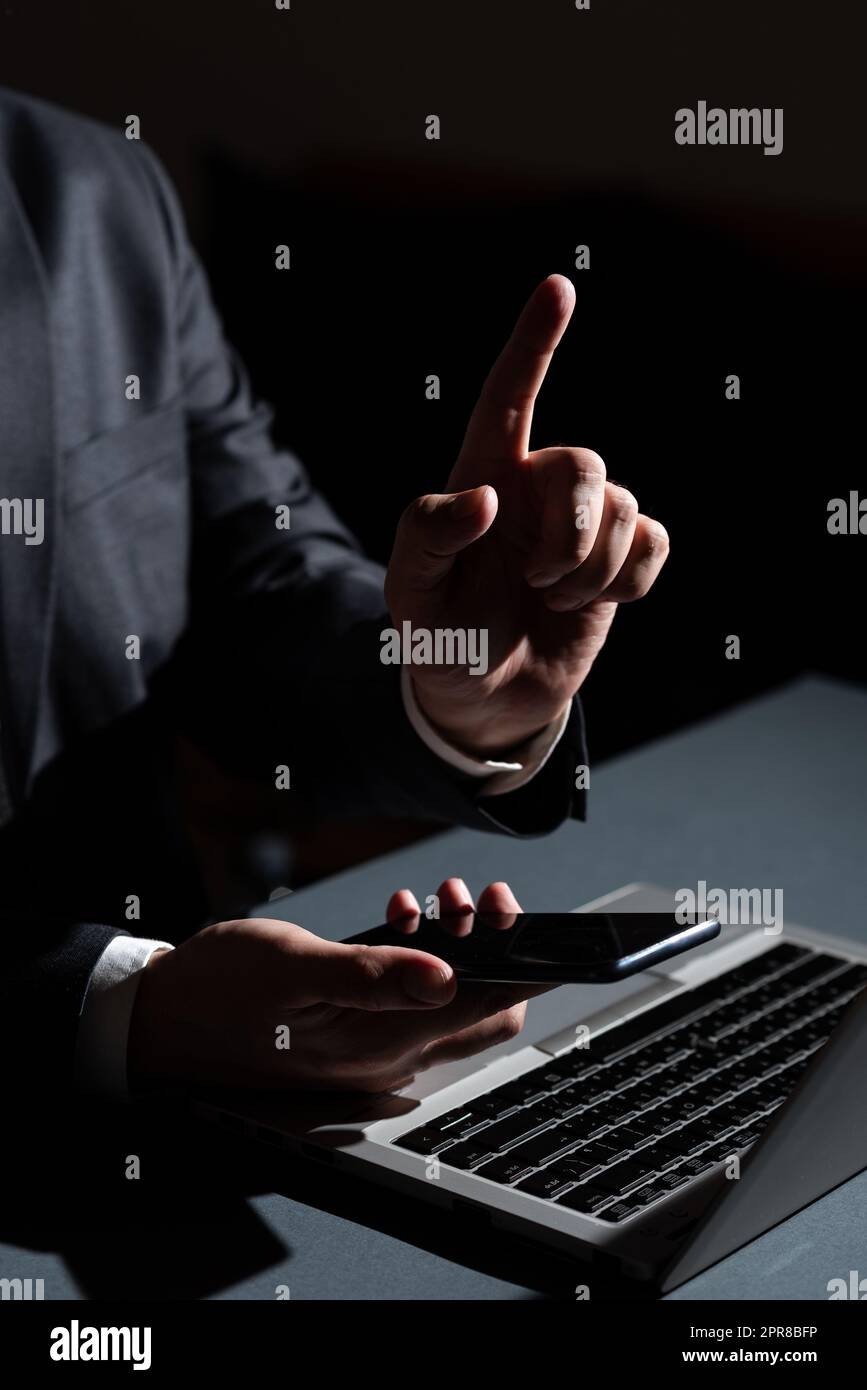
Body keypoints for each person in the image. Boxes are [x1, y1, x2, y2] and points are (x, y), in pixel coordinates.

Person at [0, 87, 668, 1098]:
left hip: (211, 1106)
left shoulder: (95, 190)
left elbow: (260, 574)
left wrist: (451, 684)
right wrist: (115, 1007)